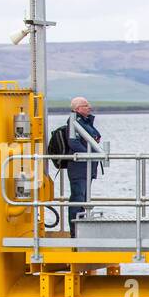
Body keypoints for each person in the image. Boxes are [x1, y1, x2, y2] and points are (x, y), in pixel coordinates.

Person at [65, 96, 102, 224]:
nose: (89, 107)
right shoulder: (74, 122)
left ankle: (81, 226)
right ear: (77, 109)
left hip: (87, 167)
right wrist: (88, 154)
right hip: (79, 168)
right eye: (86, 105)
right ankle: (74, 229)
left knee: (84, 198)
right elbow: (73, 142)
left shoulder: (85, 122)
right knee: (78, 198)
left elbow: (94, 136)